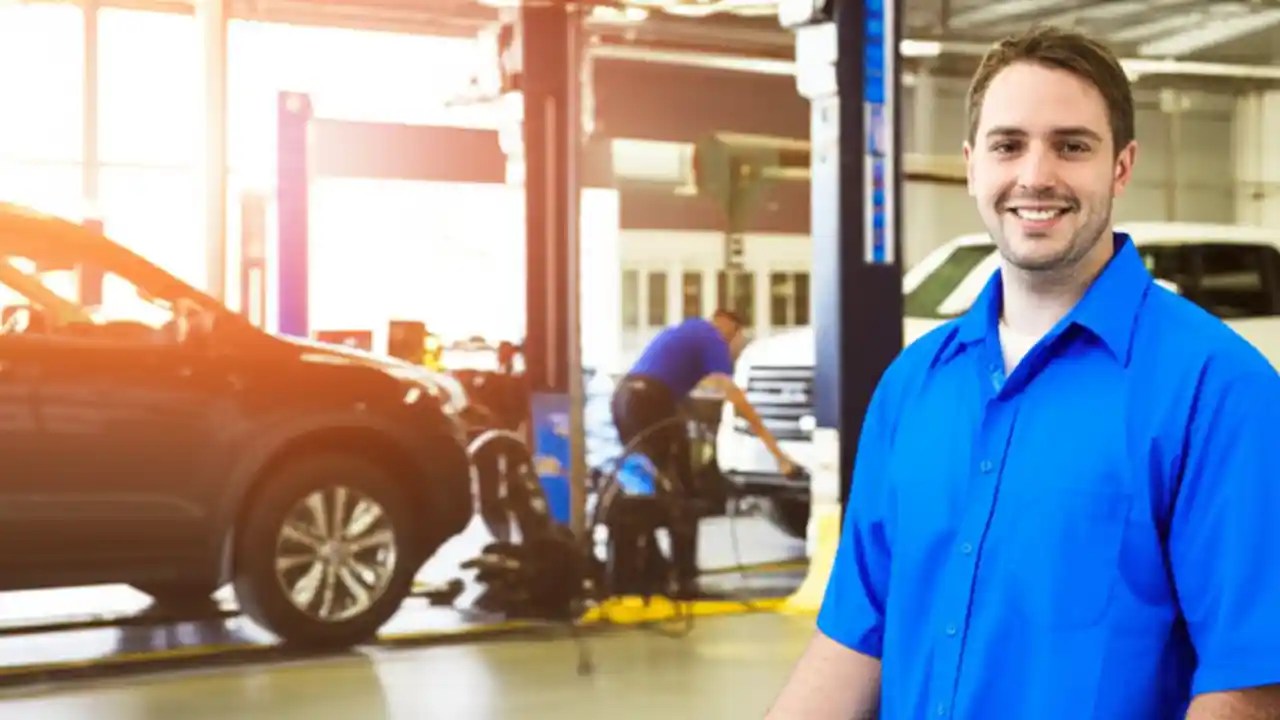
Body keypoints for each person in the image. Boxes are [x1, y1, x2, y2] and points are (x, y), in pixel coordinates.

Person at [767, 26, 1280, 720]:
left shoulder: (1219, 390)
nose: (1035, 175)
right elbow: (854, 642)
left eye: (1071, 146)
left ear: (1121, 168)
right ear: (973, 165)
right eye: (1009, 145)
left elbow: (1248, 685)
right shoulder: (912, 387)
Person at [611, 308, 797, 597]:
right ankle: (684, 578)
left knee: (644, 489)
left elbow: (681, 396)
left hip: (624, 399)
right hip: (649, 402)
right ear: (731, 328)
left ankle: (646, 570)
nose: (735, 349)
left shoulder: (686, 332)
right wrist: (778, 454)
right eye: (738, 341)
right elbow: (735, 398)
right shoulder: (713, 337)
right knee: (683, 491)